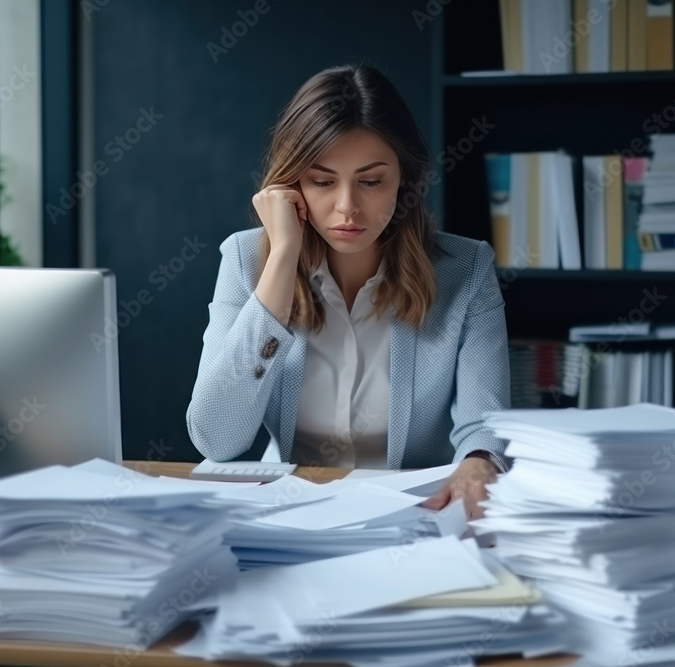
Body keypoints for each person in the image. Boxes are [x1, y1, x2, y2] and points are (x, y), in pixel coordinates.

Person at [186, 63, 510, 519]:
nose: (347, 208)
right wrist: (281, 260)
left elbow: (483, 426)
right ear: (291, 184)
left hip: (413, 518)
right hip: (288, 516)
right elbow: (216, 438)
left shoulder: (467, 270)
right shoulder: (246, 260)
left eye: (371, 181)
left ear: (405, 179)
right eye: (321, 181)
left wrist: (479, 464)